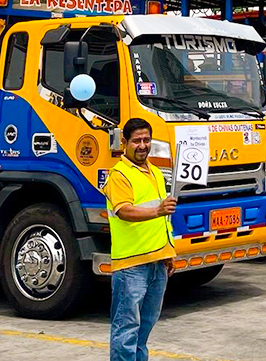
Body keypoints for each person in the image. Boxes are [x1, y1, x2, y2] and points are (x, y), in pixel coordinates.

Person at [106, 118, 177, 361]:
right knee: (126, 329)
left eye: (147, 140)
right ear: (124, 142)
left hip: (157, 262)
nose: (143, 145)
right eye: (137, 140)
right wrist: (157, 210)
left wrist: (169, 252)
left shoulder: (155, 172)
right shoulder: (119, 175)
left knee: (144, 329)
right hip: (131, 266)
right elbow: (123, 210)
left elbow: (163, 219)